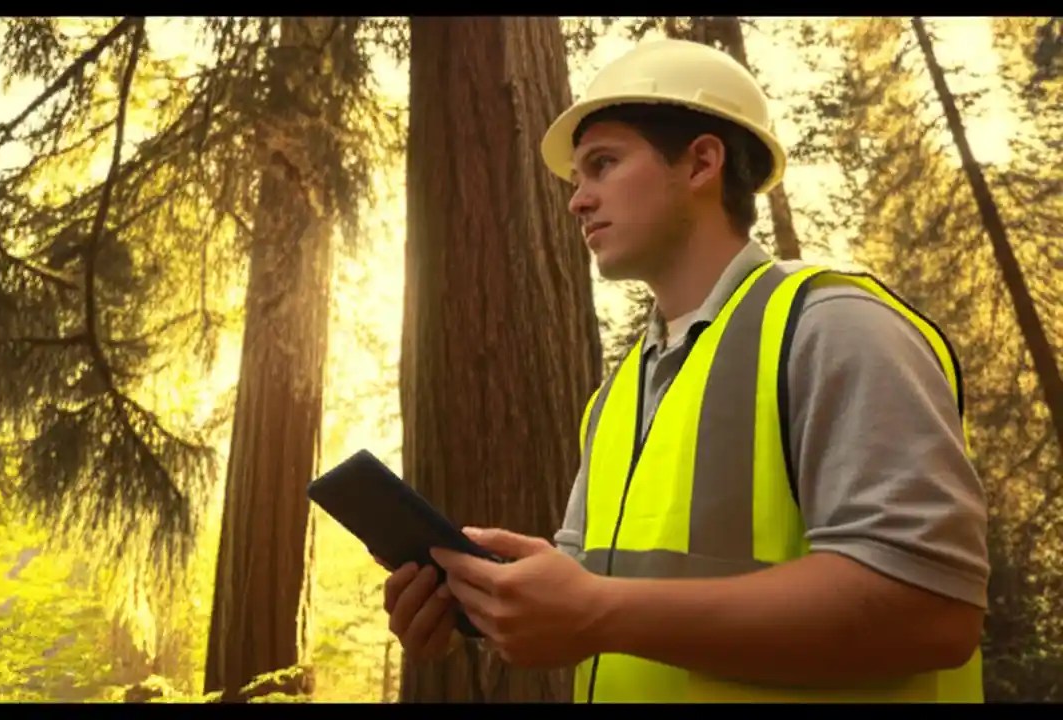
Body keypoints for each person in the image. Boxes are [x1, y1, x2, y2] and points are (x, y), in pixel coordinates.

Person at [376, 38, 989, 703]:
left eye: (603, 164)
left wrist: (598, 611)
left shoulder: (835, 326)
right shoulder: (616, 395)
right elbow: (589, 596)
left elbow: (932, 609)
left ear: (701, 163)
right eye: (577, 178)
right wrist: (482, 602)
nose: (577, 200)